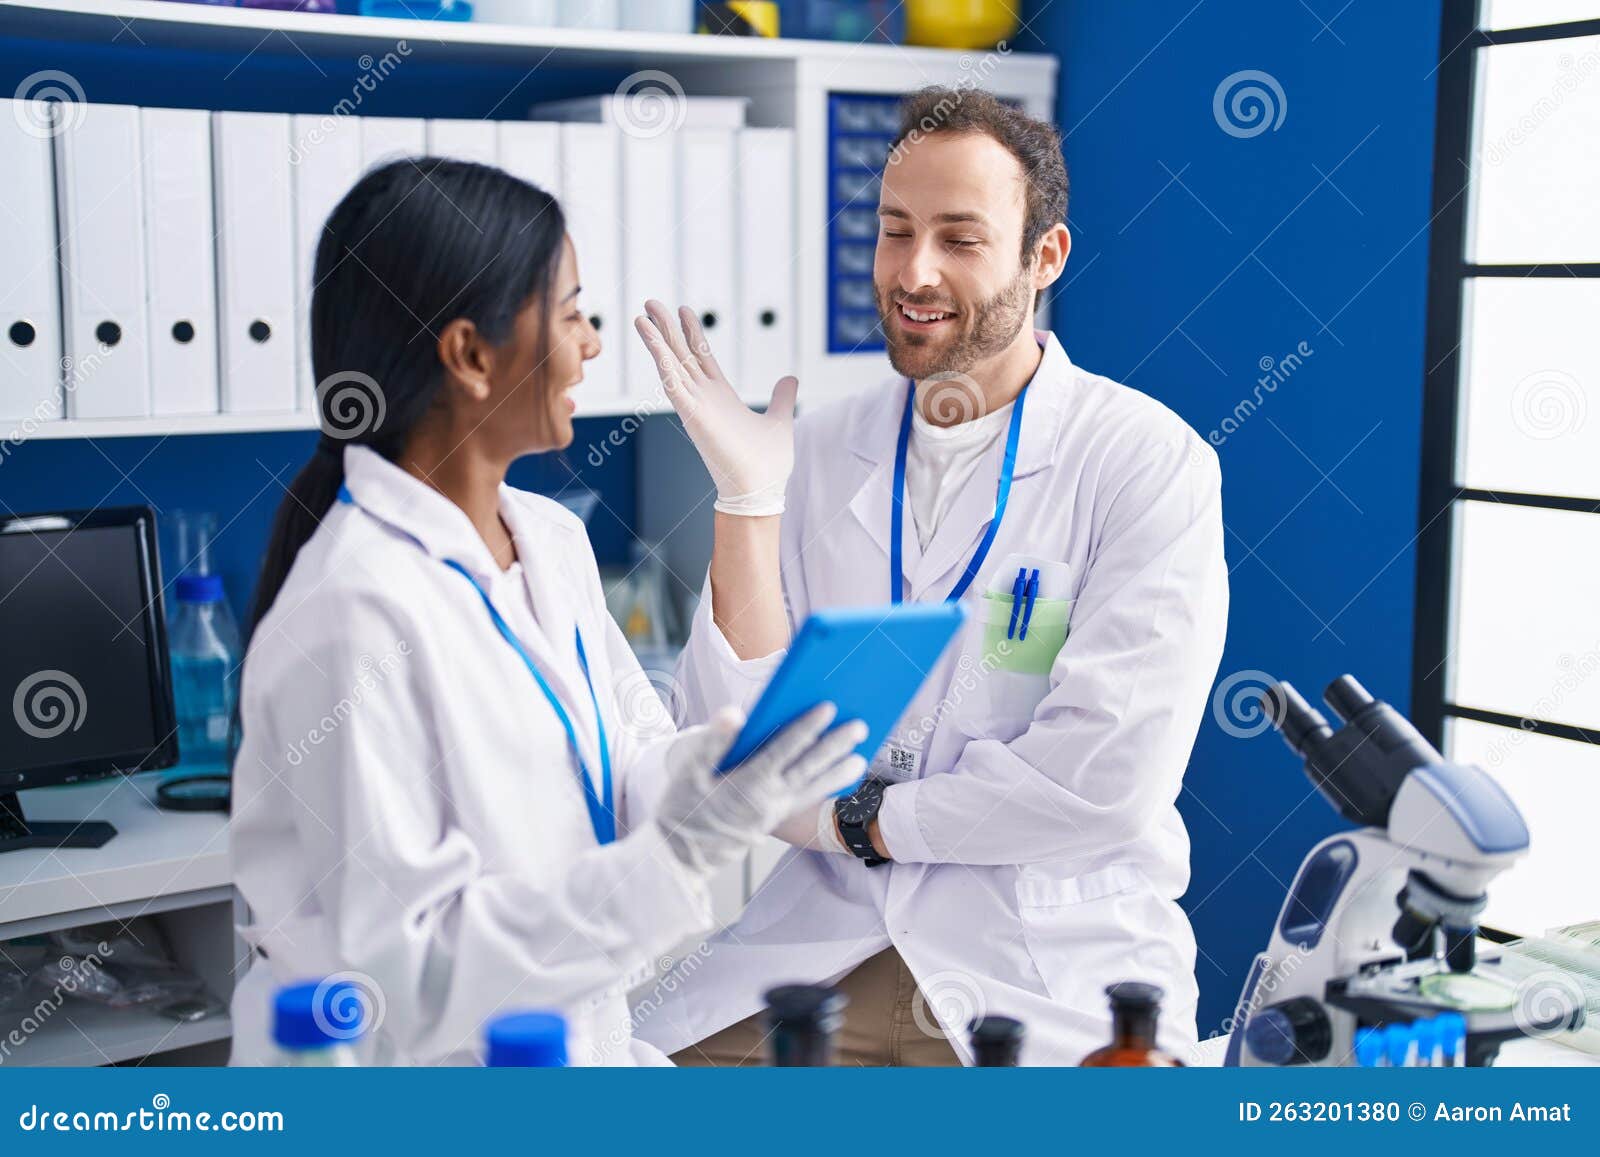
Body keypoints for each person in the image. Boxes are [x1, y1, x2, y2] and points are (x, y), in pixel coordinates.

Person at [631, 88, 1228, 1066]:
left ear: (1045, 257)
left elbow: (1101, 779)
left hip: (1042, 953)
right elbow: (730, 742)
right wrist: (745, 500)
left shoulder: (1144, 462)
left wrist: (858, 821)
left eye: (959, 238)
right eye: (894, 231)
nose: (914, 272)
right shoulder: (814, 451)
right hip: (833, 936)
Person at [228, 158, 868, 1067]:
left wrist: (729, 767)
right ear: (470, 354)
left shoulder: (549, 539)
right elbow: (411, 978)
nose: (592, 344)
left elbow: (623, 757)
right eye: (570, 312)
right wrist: (678, 855)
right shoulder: (354, 611)